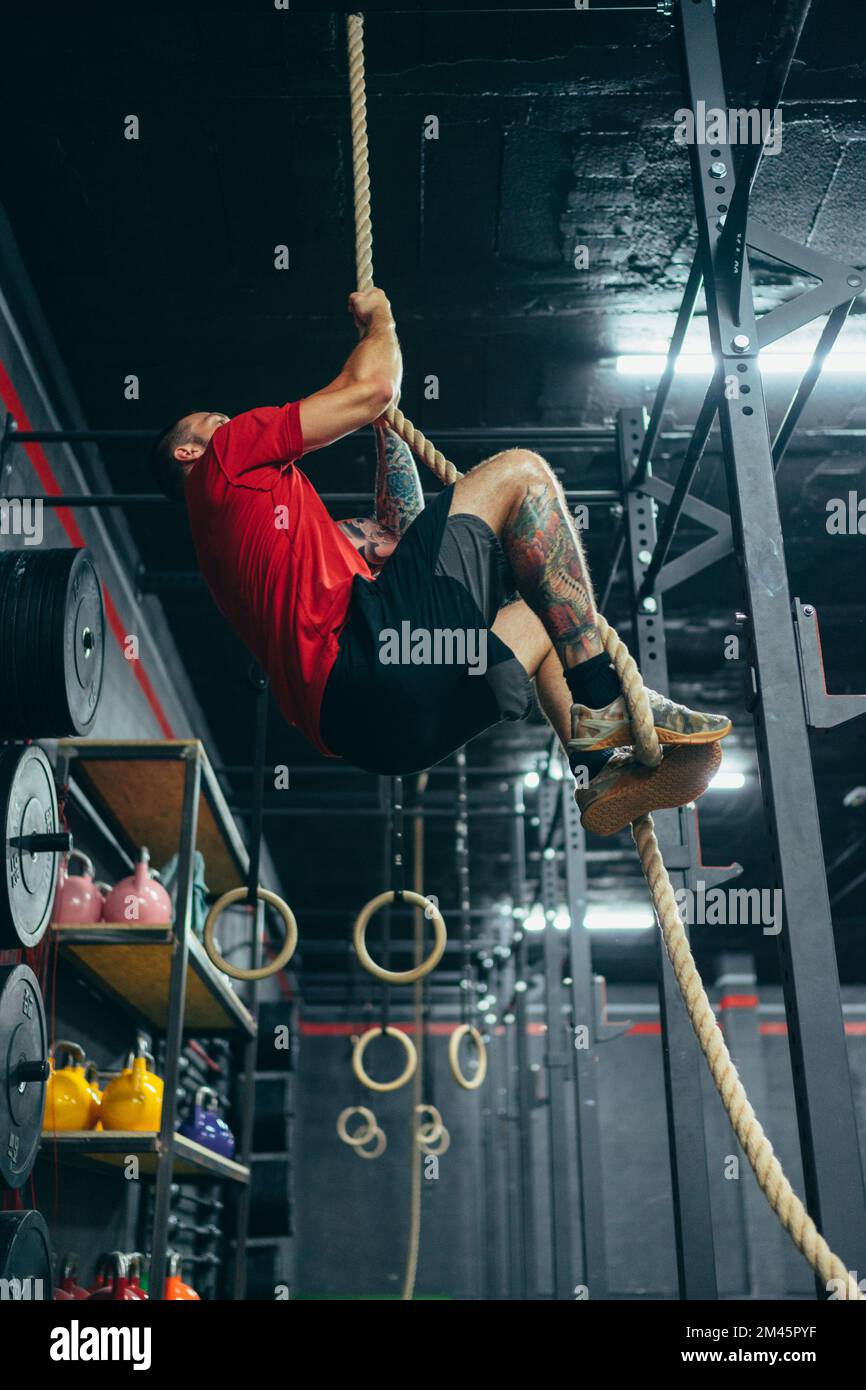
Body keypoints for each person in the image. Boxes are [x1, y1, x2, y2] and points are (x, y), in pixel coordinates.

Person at [150, 287, 730, 836]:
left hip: (385, 737)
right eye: (215, 420)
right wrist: (380, 321)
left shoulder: (266, 551)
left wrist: (385, 427)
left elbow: (398, 534)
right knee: (522, 473)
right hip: (368, 665)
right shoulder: (225, 457)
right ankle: (603, 698)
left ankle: (594, 769)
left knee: (549, 615)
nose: (229, 421)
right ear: (188, 450)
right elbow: (375, 385)